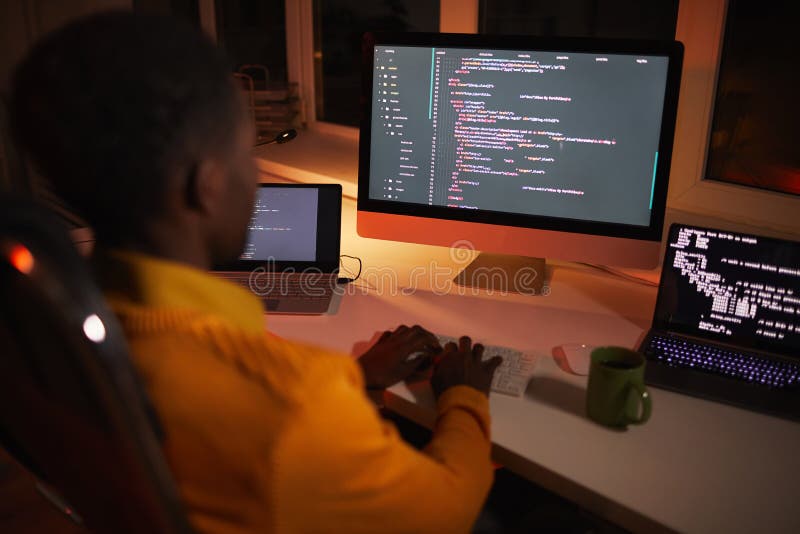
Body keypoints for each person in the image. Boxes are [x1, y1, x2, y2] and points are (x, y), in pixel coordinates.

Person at [9, 12, 503, 534]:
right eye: (246, 155)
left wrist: (354, 380)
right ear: (207, 184)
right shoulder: (295, 397)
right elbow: (449, 508)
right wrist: (463, 396)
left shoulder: (43, 326)